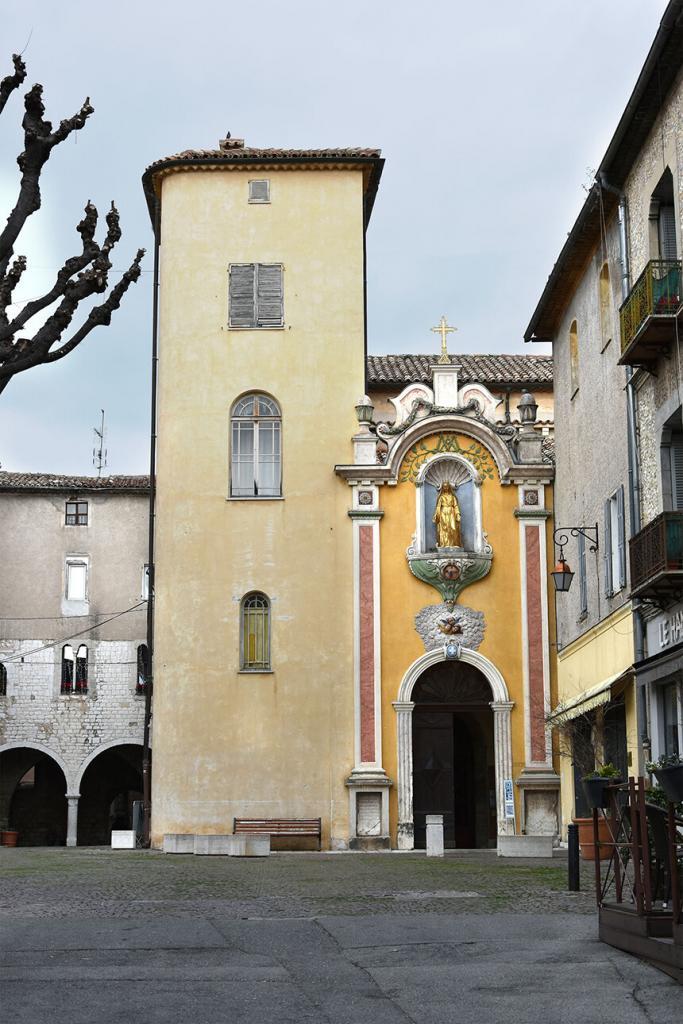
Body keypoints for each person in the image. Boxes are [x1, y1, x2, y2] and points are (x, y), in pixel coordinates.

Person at [433, 482, 461, 547]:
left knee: (453, 527)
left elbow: (456, 506)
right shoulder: (441, 497)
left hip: (451, 512)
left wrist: (457, 514)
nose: (446, 488)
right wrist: (436, 515)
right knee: (444, 528)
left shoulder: (453, 497)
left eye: (447, 486)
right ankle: (444, 544)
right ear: (442, 488)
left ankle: (454, 544)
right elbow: (438, 507)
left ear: (449, 487)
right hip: (443, 513)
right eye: (444, 487)